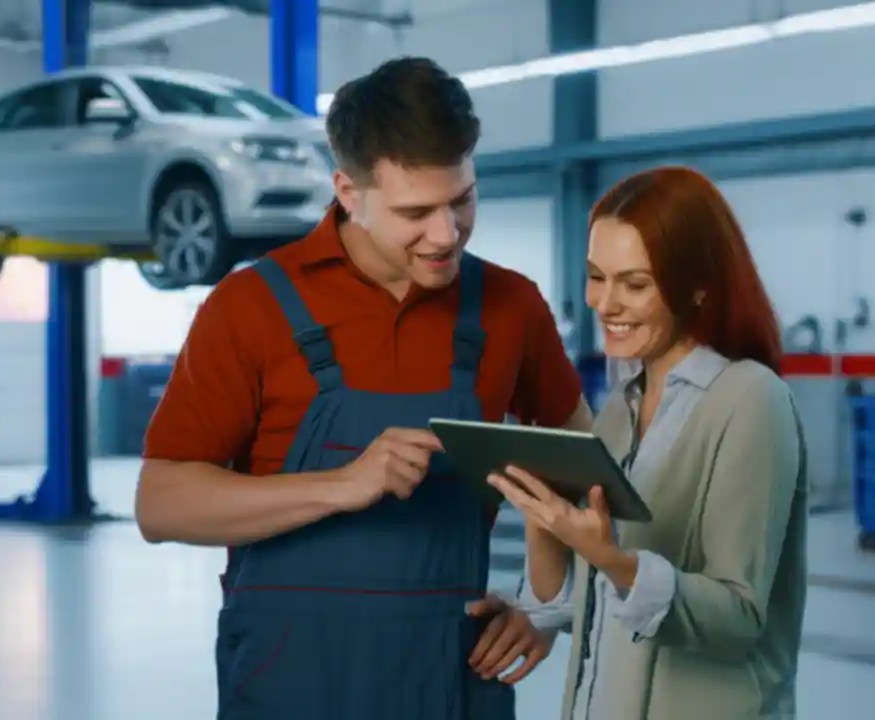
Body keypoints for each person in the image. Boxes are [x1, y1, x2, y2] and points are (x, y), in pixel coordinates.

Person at [134, 56, 594, 720]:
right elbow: (161, 503)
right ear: (348, 192)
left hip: (449, 681)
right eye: (416, 211)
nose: (447, 234)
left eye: (462, 200)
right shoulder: (251, 307)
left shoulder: (509, 306)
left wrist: (548, 605)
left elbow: (577, 461)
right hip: (290, 683)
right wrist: (341, 485)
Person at [489, 166, 809, 720]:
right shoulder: (618, 411)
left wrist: (611, 559)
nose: (604, 303)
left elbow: (738, 617)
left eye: (634, 284)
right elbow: (570, 605)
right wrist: (543, 519)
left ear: (699, 287)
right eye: (596, 276)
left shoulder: (750, 401)